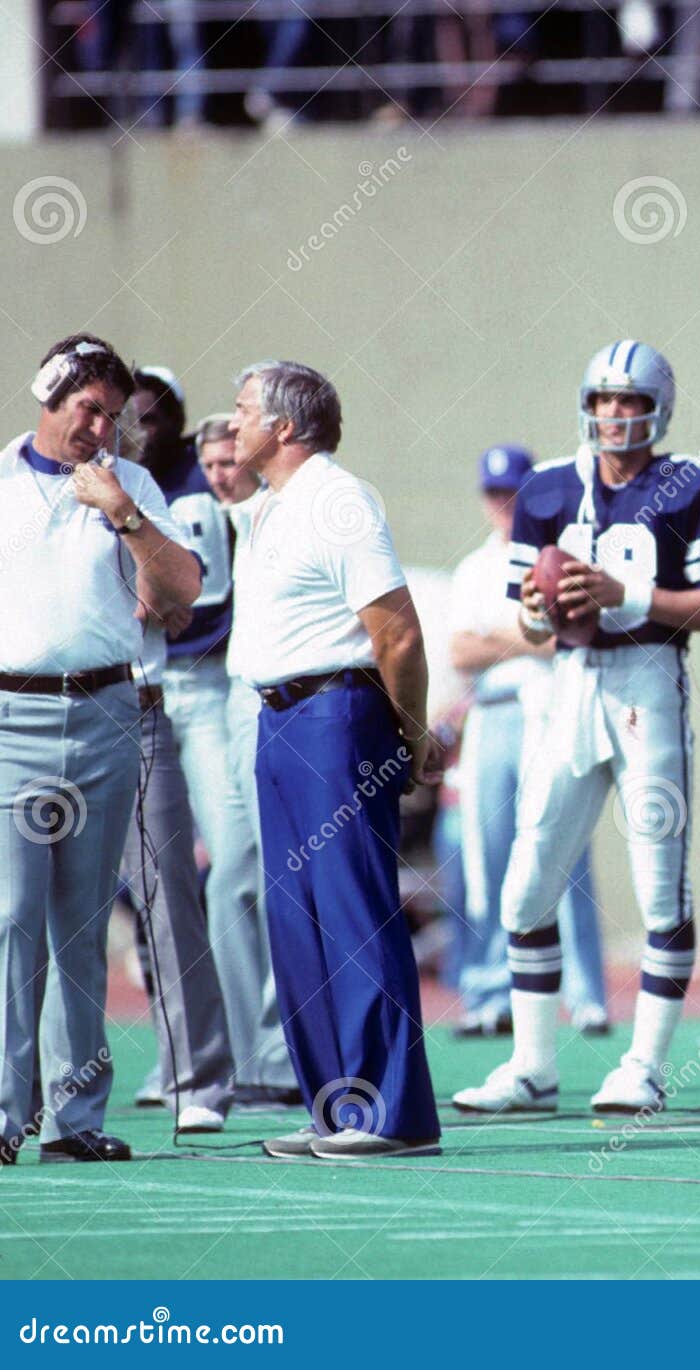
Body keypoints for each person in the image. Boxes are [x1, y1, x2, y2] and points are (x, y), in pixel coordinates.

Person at [453, 340, 700, 1116]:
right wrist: (540, 609)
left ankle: (645, 1066)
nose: (615, 415)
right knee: (523, 890)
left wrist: (626, 591)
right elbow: (530, 619)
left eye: (631, 401)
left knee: (657, 886)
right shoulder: (548, 489)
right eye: (604, 400)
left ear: (659, 408)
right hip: (570, 686)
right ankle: (533, 1067)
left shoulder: (697, 483)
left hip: (650, 681)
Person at [228, 360, 441, 1160]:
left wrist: (412, 732)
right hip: (278, 719)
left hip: (336, 715)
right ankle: (336, 1107)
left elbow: (397, 632)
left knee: (350, 908)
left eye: (244, 409)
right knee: (295, 917)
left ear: (285, 426)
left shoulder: (339, 501)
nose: (233, 420)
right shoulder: (270, 509)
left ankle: (395, 1114)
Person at [0, 334, 200, 1164]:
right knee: (12, 916)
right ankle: (8, 1113)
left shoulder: (134, 486)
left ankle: (76, 1117)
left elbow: (183, 591)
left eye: (114, 417)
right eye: (89, 409)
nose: (101, 429)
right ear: (49, 394)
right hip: (12, 717)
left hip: (106, 710)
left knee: (80, 921)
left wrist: (120, 510)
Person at [448, 444, 608, 1040]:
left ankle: (586, 994)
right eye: (494, 494)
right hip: (492, 715)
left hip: (548, 709)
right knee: (488, 857)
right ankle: (490, 993)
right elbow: (461, 651)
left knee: (563, 852)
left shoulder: (560, 558)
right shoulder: (474, 568)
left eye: (513, 492)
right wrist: (520, 638)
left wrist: (501, 636)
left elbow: (561, 640)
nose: (502, 505)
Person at [115, 366, 237, 1133]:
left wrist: (132, 550)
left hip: (171, 698)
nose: (132, 428)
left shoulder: (157, 498)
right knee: (44, 909)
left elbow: (175, 603)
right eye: (115, 413)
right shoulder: (44, 489)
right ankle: (35, 1092)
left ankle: (213, 1072)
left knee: (198, 890)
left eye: (149, 416)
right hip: (59, 708)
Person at [196, 416, 300, 1107]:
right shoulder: (199, 522)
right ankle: (250, 1053)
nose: (220, 474)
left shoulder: (280, 515)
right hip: (218, 698)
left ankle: (293, 1051)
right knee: (228, 879)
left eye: (230, 460)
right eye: (208, 464)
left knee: (283, 873)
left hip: (274, 699)